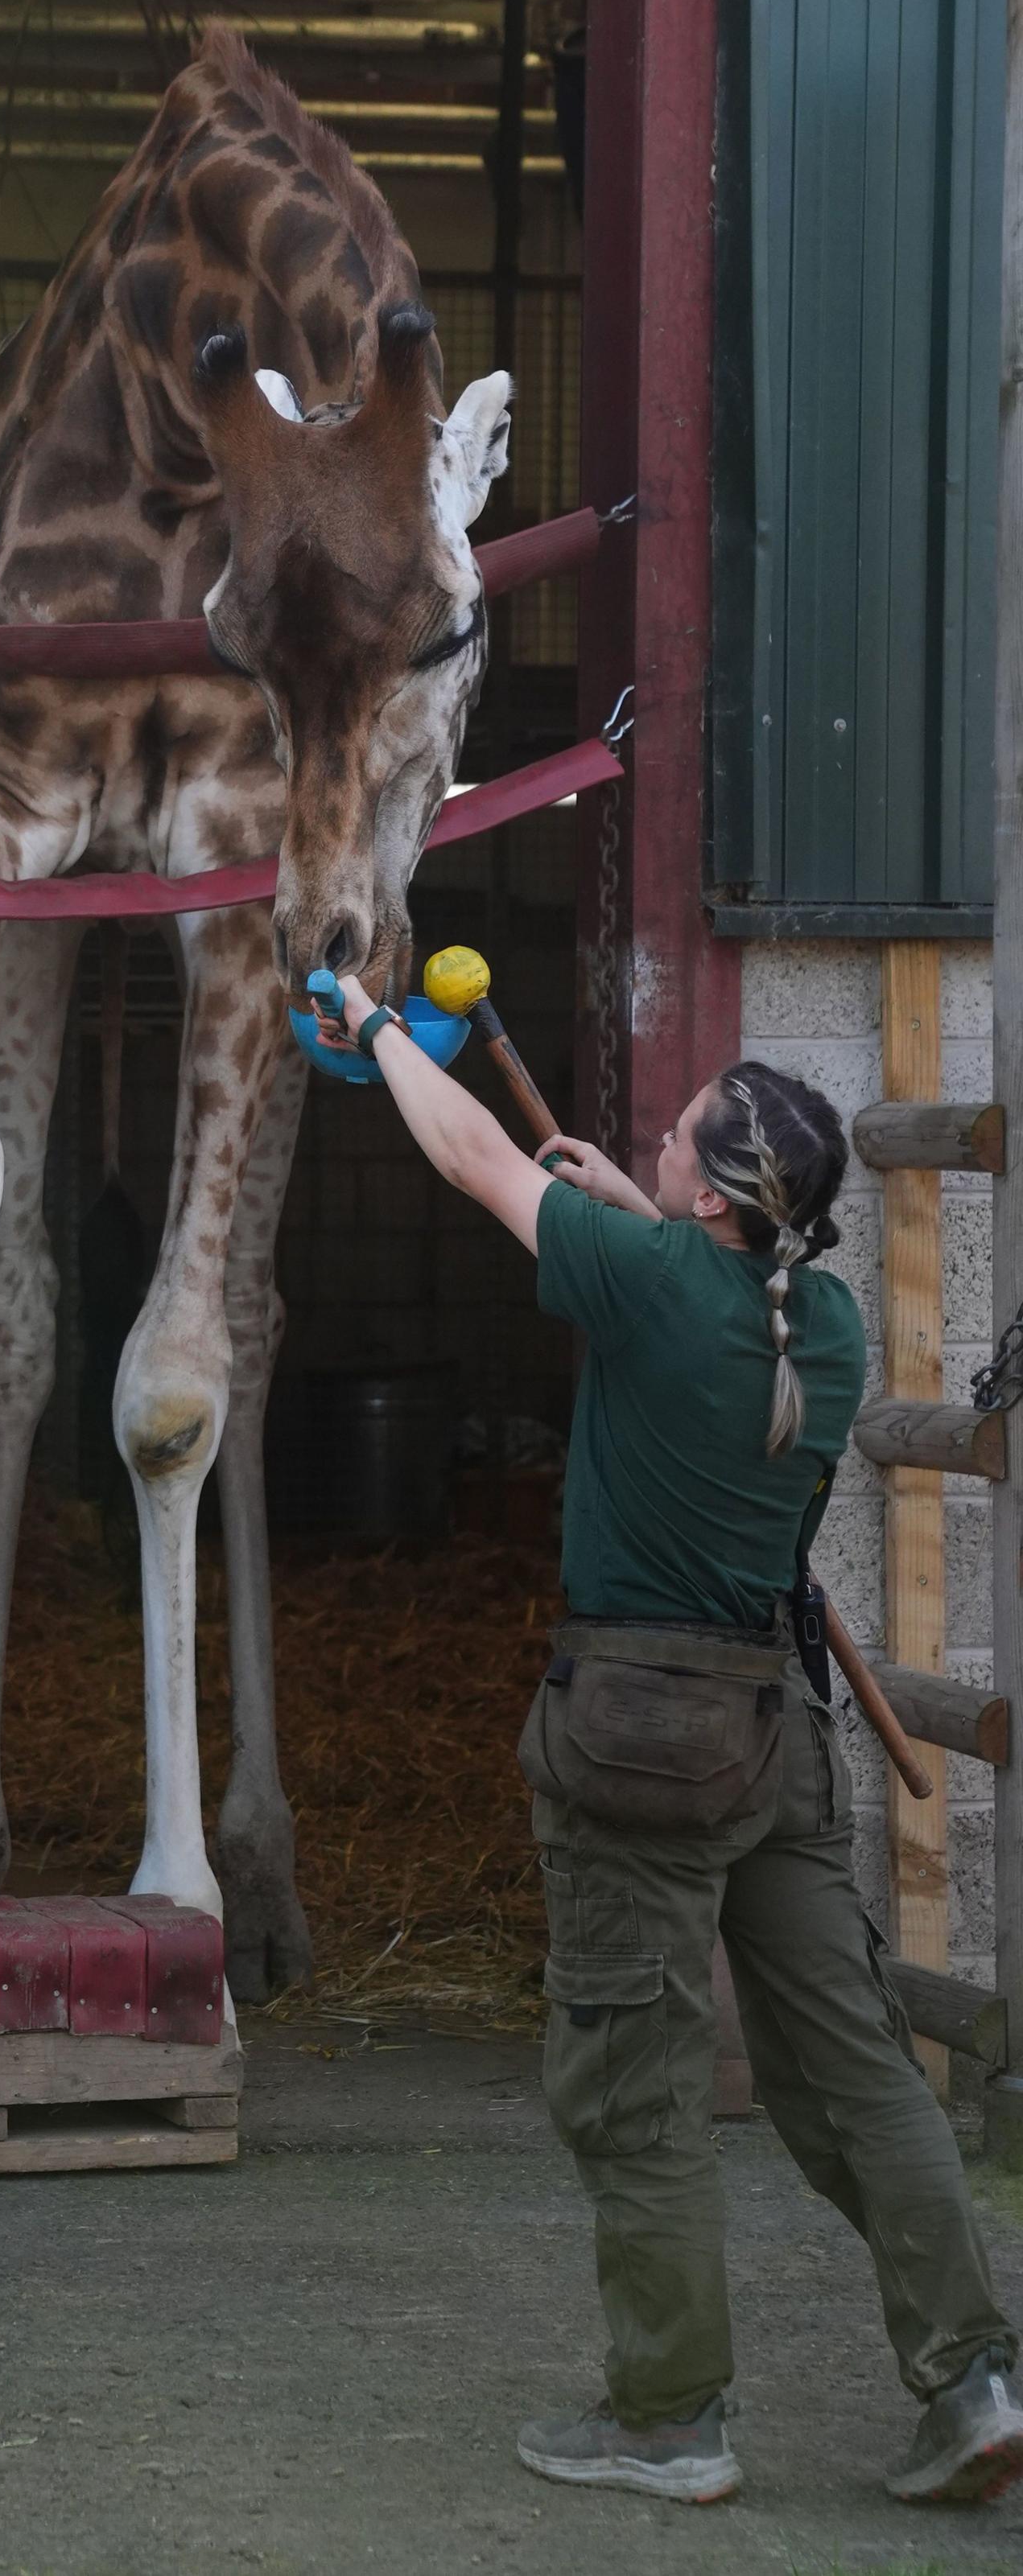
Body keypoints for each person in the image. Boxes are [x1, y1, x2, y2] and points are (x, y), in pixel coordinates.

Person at [320, 973, 1023, 2509]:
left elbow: (466, 1160)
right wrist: (631, 1208)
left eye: (677, 1135)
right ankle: (974, 2384)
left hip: (639, 1736)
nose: (654, 1130)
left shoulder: (649, 1284)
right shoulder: (822, 1326)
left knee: (633, 2083)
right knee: (858, 2076)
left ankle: (671, 2419)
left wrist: (378, 1031)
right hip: (777, 1739)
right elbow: (703, 1284)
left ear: (710, 1191)